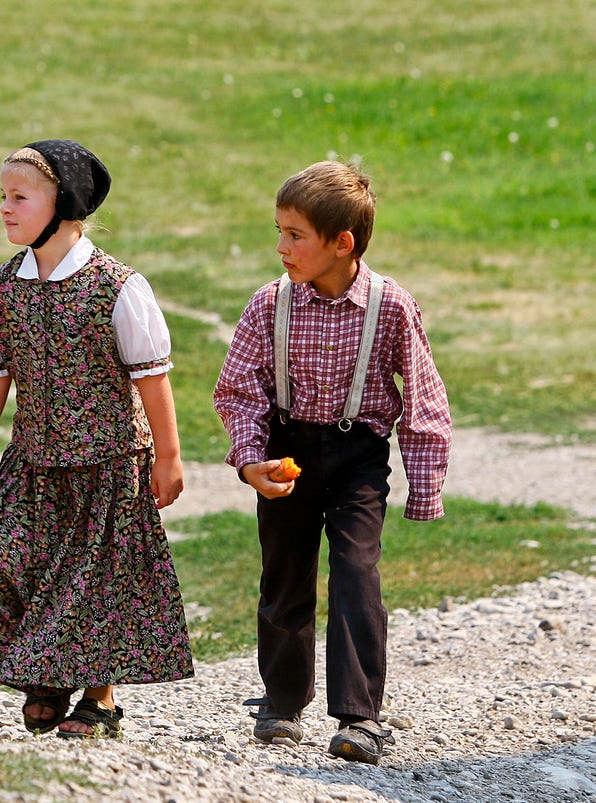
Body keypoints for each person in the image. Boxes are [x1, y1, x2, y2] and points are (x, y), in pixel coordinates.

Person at [0, 139, 195, 739]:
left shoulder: (118, 286)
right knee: (2, 554)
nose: (5, 209)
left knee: (97, 578)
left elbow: (151, 377)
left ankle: (100, 700)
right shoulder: (1, 286)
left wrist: (168, 456)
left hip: (108, 459)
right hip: (34, 457)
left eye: (19, 197)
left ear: (62, 203)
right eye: (2, 197)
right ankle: (48, 674)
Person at [214, 160, 452, 763]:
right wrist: (250, 463)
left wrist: (424, 488)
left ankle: (359, 715)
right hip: (287, 452)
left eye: (295, 235)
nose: (281, 247)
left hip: (358, 460)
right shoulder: (269, 305)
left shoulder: (390, 305)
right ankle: (282, 700)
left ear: (341, 243)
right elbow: (239, 391)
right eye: (279, 231)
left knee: (356, 574)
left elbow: (423, 396)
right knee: (284, 573)